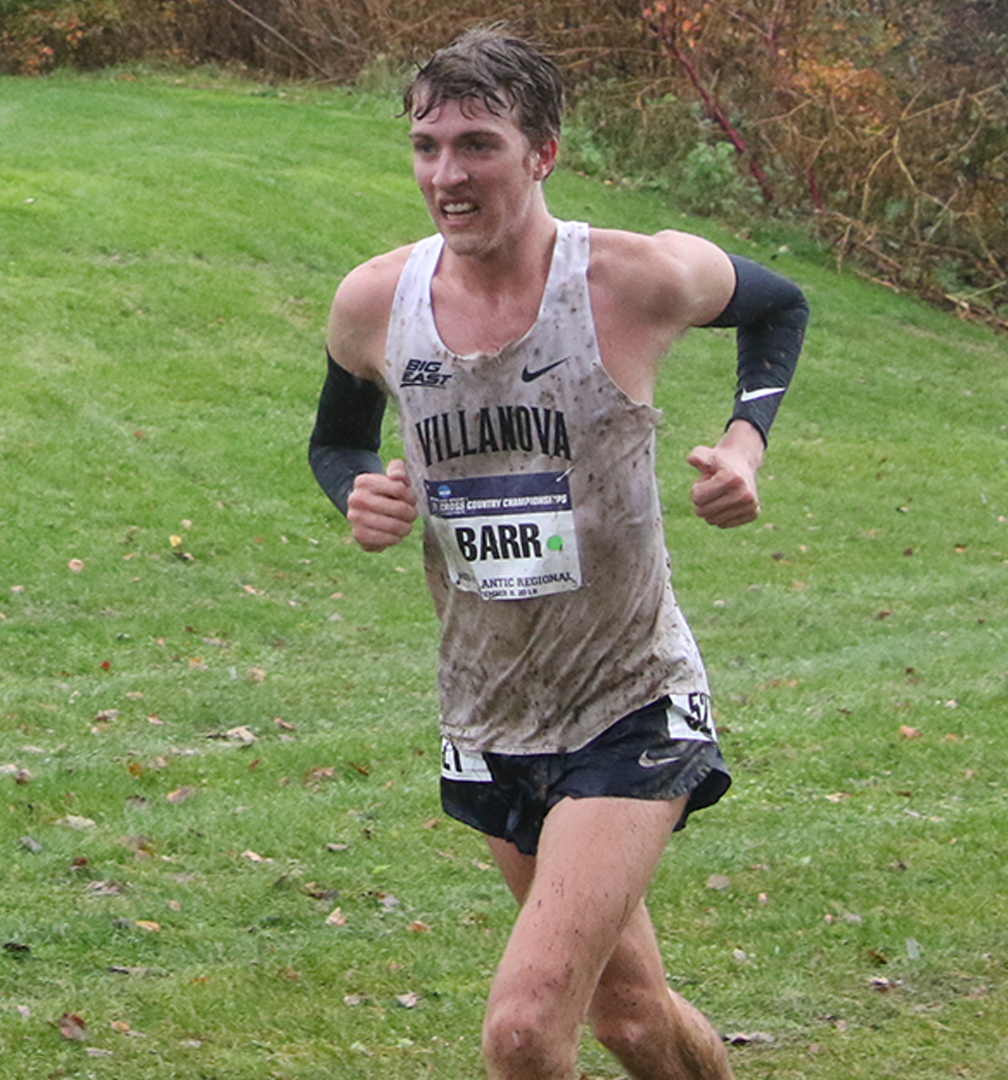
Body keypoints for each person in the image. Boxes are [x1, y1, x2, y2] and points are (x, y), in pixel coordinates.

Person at [307, 26, 807, 1080]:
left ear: (543, 153)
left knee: (525, 1030)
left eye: (478, 144)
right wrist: (359, 492)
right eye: (427, 145)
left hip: (630, 702)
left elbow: (779, 309)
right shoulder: (374, 305)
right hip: (488, 713)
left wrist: (748, 448)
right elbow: (337, 439)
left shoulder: (631, 279)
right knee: (632, 1021)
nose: (448, 174)